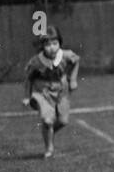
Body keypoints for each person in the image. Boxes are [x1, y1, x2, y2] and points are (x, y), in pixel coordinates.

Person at [23, 26, 80, 159]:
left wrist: (73, 79)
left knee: (63, 121)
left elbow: (76, 61)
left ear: (60, 43)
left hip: (61, 90)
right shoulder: (37, 61)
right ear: (42, 46)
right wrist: (27, 96)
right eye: (48, 44)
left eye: (55, 43)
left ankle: (49, 132)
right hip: (42, 92)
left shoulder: (65, 55)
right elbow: (28, 79)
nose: (52, 47)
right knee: (48, 120)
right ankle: (49, 147)